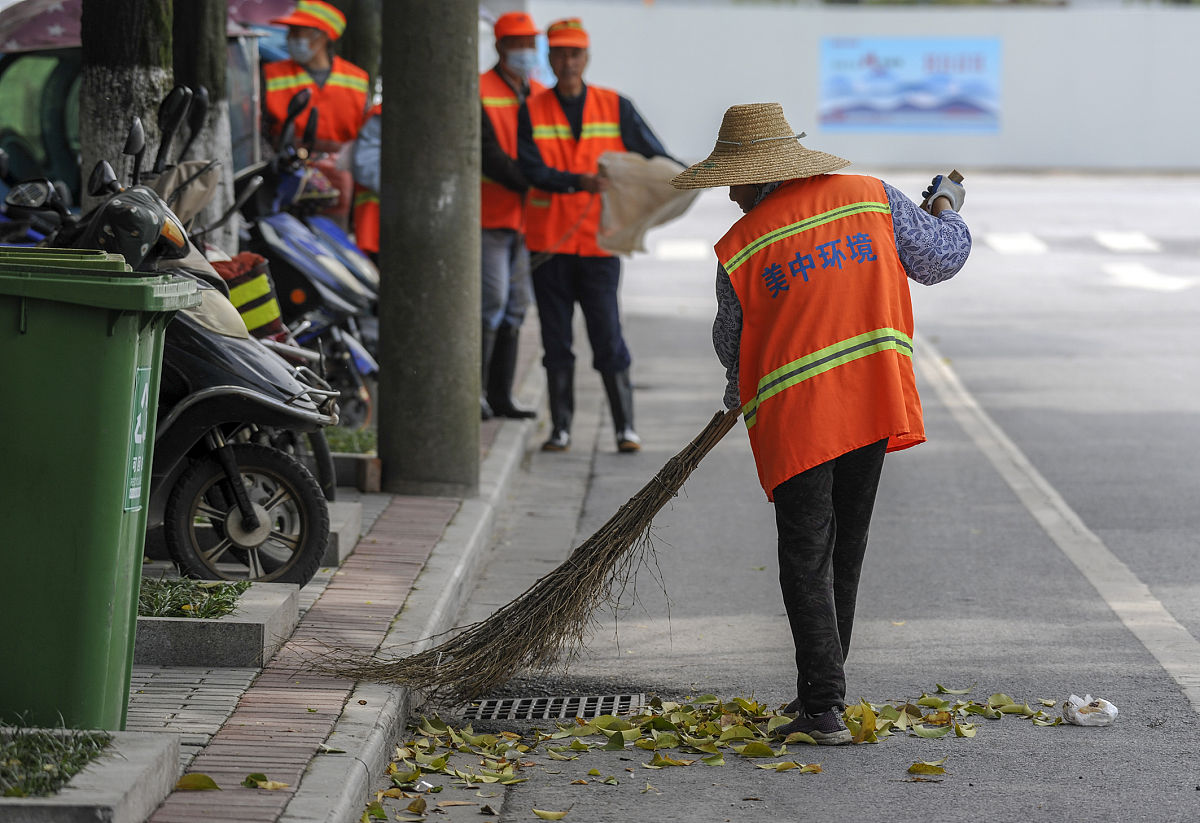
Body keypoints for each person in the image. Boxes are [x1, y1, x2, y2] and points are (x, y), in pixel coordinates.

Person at [671, 103, 971, 745]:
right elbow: (943, 258)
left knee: (806, 555)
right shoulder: (871, 198)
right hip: (870, 400)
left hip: (800, 418)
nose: (729, 195)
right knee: (846, 546)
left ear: (758, 176)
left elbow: (732, 340)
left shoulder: (743, 245)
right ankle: (823, 697)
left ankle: (823, 706)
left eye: (732, 181)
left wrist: (739, 383)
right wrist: (944, 208)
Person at [516, 17, 676, 453]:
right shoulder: (530, 109)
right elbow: (529, 169)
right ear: (549, 58)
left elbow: (654, 154)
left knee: (607, 334)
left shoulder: (615, 105)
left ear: (586, 57)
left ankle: (625, 427)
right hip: (549, 244)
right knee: (556, 340)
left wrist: (686, 176)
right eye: (560, 54)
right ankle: (561, 428)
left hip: (599, 243)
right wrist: (577, 182)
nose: (567, 62)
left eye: (574, 53)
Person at [479, 12, 545, 420]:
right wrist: (536, 181)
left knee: (516, 307)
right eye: (517, 44)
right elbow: (489, 154)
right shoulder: (480, 90)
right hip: (491, 215)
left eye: (529, 43)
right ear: (500, 46)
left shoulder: (538, 92)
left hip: (529, 220)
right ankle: (476, 395)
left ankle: (500, 396)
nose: (524, 51)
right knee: (490, 303)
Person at [262, 0, 369, 151]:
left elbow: (367, 139)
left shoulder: (358, 80)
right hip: (284, 172)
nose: (289, 38)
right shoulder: (270, 74)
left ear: (323, 36)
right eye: (290, 31)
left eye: (297, 32)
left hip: (340, 172)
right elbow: (259, 134)